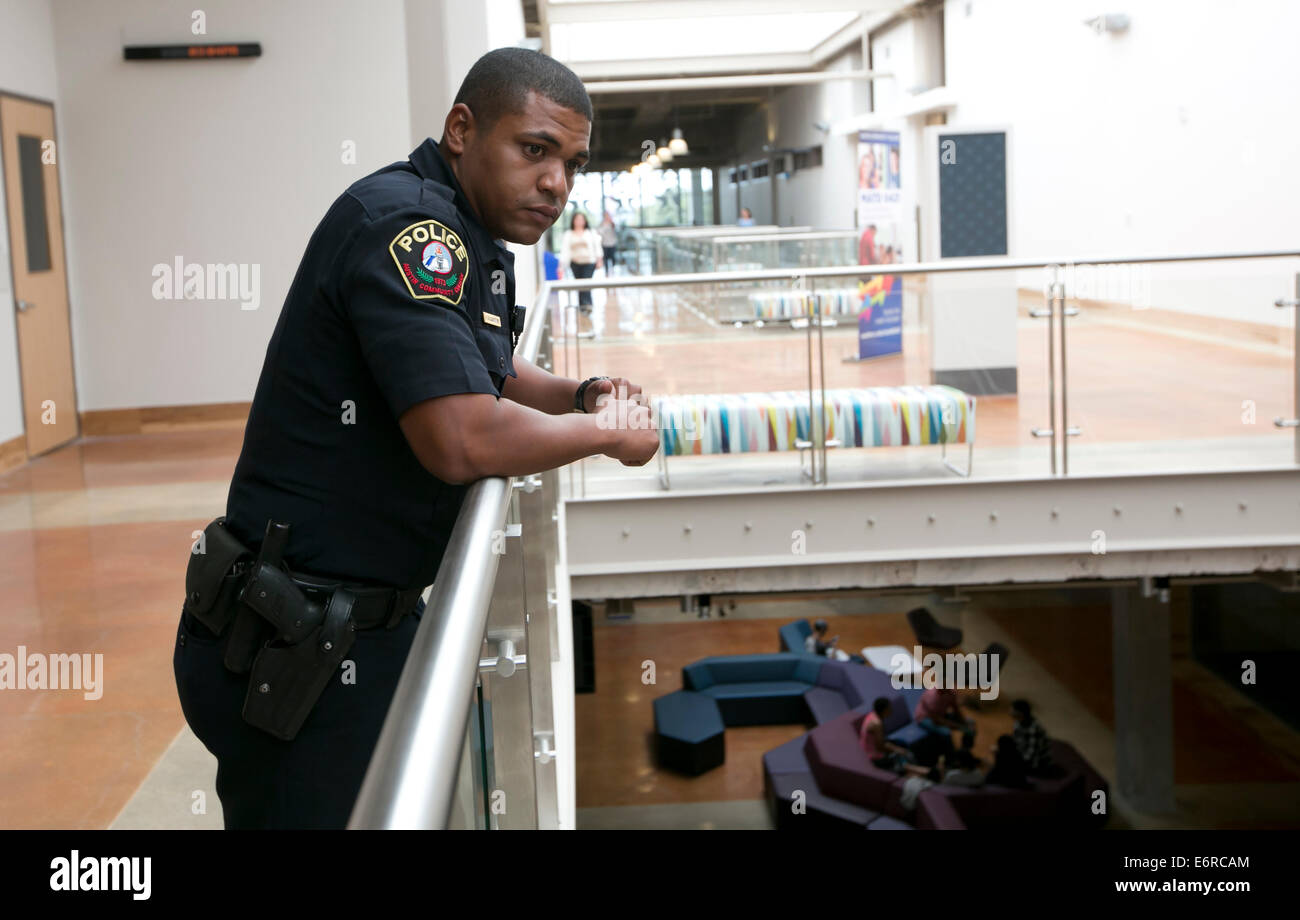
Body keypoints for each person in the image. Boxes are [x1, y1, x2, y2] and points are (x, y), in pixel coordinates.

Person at [172, 48, 659, 830]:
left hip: (353, 623)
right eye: (534, 150)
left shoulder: (468, 226)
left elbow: (487, 373)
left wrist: (581, 392)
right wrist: (601, 434)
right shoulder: (412, 231)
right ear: (462, 129)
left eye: (571, 163)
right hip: (297, 644)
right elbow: (461, 439)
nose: (556, 185)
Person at [860, 697, 931, 777]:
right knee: (905, 755)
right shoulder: (877, 724)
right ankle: (925, 773)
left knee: (901, 744)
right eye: (889, 708)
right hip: (876, 758)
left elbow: (881, 741)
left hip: (872, 749)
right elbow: (880, 746)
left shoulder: (872, 715)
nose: (891, 710)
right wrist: (897, 750)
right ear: (884, 710)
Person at [559, 211, 602, 312]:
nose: (579, 221)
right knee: (579, 285)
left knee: (586, 284)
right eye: (577, 219)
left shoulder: (590, 232)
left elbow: (597, 247)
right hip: (575, 264)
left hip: (589, 262)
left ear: (585, 221)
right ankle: (583, 306)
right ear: (573, 221)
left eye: (581, 219)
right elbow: (565, 250)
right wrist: (561, 265)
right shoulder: (568, 234)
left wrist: (599, 260)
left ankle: (587, 305)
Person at [914, 685, 977, 753]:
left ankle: (965, 752)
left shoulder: (951, 691)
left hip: (941, 714)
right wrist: (960, 726)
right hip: (925, 718)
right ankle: (951, 757)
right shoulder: (932, 697)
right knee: (946, 732)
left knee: (970, 723)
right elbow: (937, 721)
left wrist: (964, 722)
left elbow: (956, 709)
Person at [1010, 699, 1054, 776]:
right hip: (1024, 754)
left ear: (1020, 713)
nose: (1010, 712)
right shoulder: (1018, 723)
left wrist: (1016, 761)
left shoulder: (1034, 729)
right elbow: (1015, 740)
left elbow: (1032, 754)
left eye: (1012, 710)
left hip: (1038, 762)